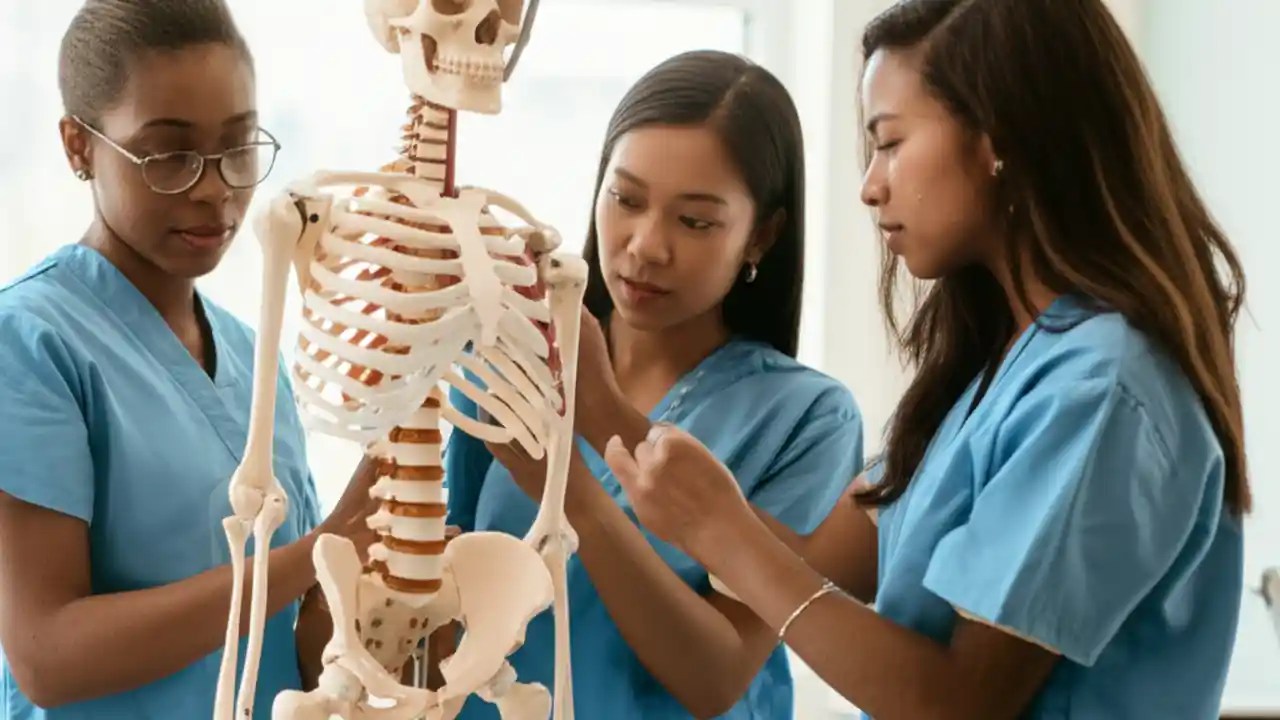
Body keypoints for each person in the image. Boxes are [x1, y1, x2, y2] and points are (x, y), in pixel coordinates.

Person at [603, 2, 1250, 719]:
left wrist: (719, 528)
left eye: (890, 142)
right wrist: (582, 405)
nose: (869, 184)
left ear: (998, 138)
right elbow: (819, 561)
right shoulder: (995, 371)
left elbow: (956, 703)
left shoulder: (1102, 391)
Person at [442, 50, 864, 719]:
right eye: (627, 199)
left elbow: (716, 677)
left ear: (764, 235)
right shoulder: (510, 360)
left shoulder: (807, 419)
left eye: (694, 221)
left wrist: (569, 488)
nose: (645, 245)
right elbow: (432, 622)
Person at [0, 2, 379, 718]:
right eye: (170, 154)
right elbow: (47, 656)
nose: (216, 189)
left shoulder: (248, 352)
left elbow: (289, 645)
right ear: (78, 146)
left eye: (238, 148)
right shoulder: (30, 342)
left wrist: (370, 581)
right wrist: (315, 554)